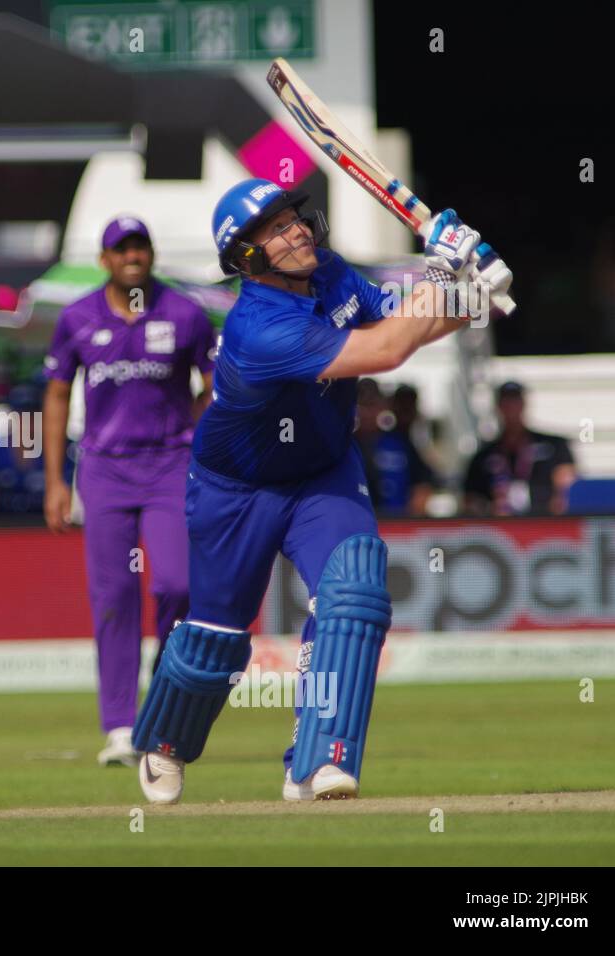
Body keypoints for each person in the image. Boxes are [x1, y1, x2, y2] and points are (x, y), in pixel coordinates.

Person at [132, 178, 512, 805]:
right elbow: (385, 351)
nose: (299, 230)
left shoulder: (331, 273)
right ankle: (166, 742)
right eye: (277, 229)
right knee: (218, 639)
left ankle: (319, 760)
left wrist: (475, 293)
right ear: (248, 257)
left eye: (295, 218)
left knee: (356, 593)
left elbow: (401, 325)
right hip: (236, 489)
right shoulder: (258, 329)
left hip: (322, 471)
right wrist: (443, 269)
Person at [42, 216, 216, 769]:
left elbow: (215, 384)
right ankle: (120, 725)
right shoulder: (77, 316)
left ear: (152, 253)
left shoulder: (185, 313)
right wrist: (54, 482)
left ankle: (163, 705)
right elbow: (55, 395)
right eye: (121, 248)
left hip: (169, 466)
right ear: (105, 260)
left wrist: (194, 439)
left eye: (140, 246)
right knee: (114, 597)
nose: (132, 255)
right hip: (104, 469)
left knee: (177, 585)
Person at [463, 381, 575, 515]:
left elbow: (567, 482)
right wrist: (489, 508)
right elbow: (470, 499)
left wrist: (557, 504)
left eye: (515, 401)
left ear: (523, 404)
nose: (511, 408)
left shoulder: (552, 445)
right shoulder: (484, 456)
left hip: (544, 523)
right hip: (503, 527)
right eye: (506, 403)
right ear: (498, 407)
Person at [0, 380, 62, 516]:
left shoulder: (58, 450)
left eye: (33, 414)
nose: (27, 421)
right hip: (1, 530)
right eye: (21, 414)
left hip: (46, 530)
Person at [354, 378, 435, 516]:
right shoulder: (345, 446)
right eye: (363, 406)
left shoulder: (399, 443)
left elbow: (422, 482)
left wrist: (412, 516)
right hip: (358, 525)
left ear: (382, 406)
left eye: (372, 405)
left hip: (396, 524)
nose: (368, 413)